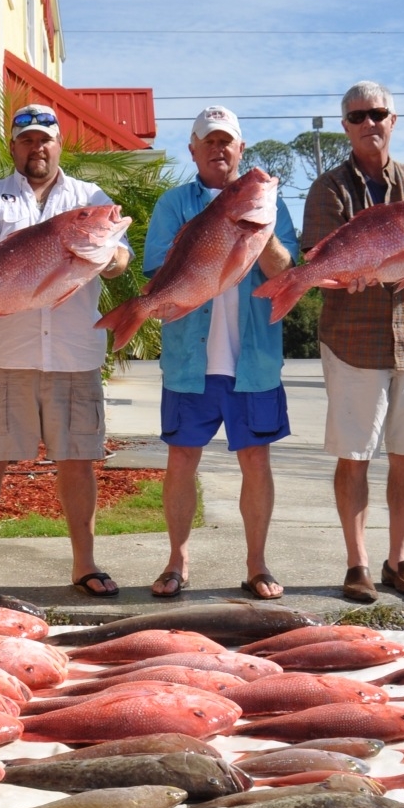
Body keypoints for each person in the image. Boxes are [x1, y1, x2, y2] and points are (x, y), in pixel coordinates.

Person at [0, 104, 132, 596]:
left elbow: (119, 252)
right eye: (27, 139)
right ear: (13, 147)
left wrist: (113, 257)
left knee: (77, 459)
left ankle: (85, 565)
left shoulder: (89, 199)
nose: (37, 147)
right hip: (3, 352)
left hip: (74, 354)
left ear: (58, 144)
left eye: (45, 139)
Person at [301, 80, 404, 604]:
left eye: (378, 113)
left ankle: (399, 559)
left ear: (394, 119)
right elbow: (318, 261)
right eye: (358, 116)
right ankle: (357, 563)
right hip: (353, 339)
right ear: (345, 126)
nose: (369, 124)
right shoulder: (329, 189)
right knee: (354, 454)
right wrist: (349, 274)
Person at [143, 106, 298, 600]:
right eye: (208, 141)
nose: (218, 149)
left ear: (241, 149)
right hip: (190, 360)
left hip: (252, 361)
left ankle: (258, 564)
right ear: (192, 150)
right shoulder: (173, 204)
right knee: (182, 458)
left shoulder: (273, 205)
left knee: (255, 460)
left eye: (226, 141)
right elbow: (156, 274)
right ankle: (176, 561)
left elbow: (284, 273)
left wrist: (258, 222)